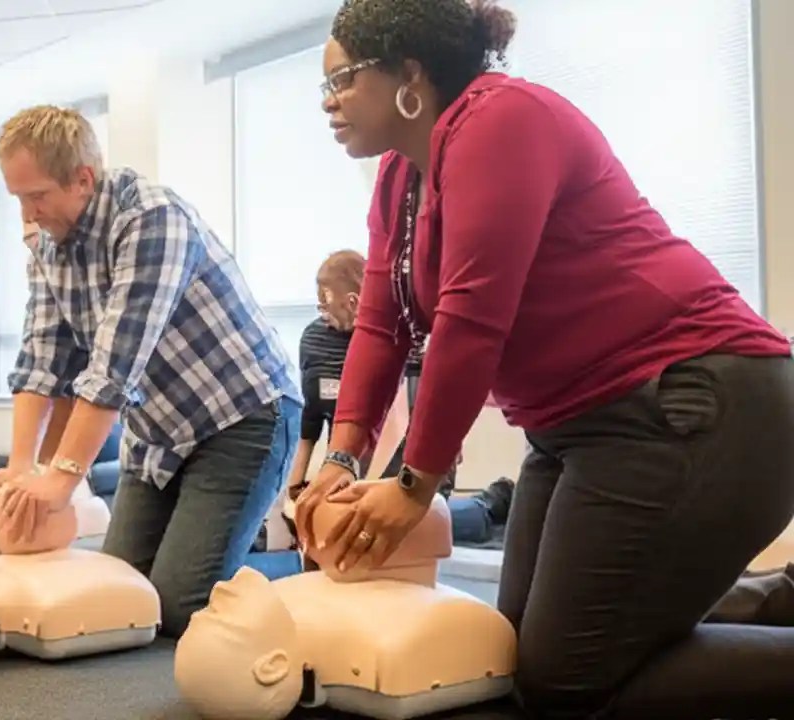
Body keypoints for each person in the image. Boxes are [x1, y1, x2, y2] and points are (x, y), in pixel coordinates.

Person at [295, 0, 794, 716]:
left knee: (567, 680)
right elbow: (380, 322)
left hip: (691, 403)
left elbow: (472, 318)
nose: (329, 104)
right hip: (575, 428)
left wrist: (413, 485)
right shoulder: (400, 178)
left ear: (410, 74)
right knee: (516, 645)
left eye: (341, 81)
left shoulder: (502, 120)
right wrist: (340, 458)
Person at [0, 105, 303, 637]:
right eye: (18, 199)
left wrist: (62, 478)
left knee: (180, 605)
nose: (29, 213)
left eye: (36, 195)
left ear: (82, 179)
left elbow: (115, 364)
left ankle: (291, 574)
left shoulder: (152, 219)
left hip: (242, 419)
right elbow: (40, 355)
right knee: (126, 595)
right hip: (157, 434)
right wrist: (22, 468)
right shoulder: (46, 245)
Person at [287, 250, 512, 548]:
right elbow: (313, 415)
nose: (323, 313)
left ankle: (487, 505)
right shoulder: (316, 341)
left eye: (327, 304)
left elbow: (434, 400)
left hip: (404, 458)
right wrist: (299, 480)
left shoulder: (404, 337)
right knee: (354, 527)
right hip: (357, 464)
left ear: (353, 302)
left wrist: (441, 451)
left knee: (398, 528)